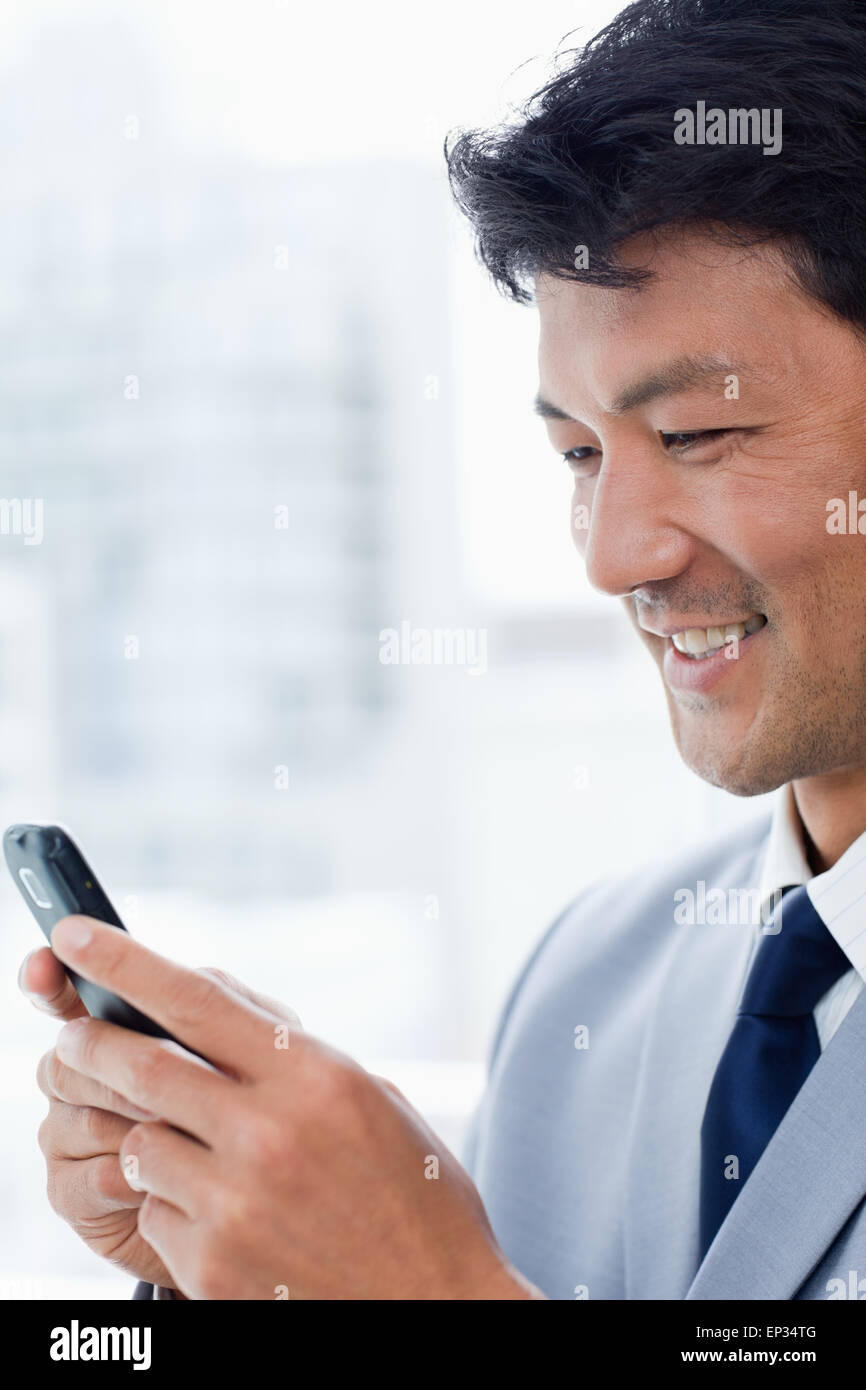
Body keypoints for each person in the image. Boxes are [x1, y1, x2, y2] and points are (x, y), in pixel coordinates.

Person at [18, 0, 866, 1299]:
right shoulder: (586, 988)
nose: (610, 554)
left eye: (695, 435)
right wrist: (244, 1261)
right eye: (578, 454)